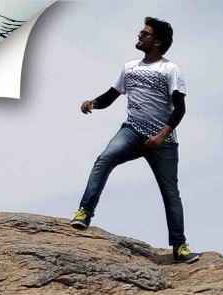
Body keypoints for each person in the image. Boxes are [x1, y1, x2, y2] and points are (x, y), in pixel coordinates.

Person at [70, 17, 198, 264]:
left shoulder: (170, 69)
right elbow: (111, 96)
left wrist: (161, 135)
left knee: (171, 192)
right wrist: (94, 103)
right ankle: (85, 211)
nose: (139, 36)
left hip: (163, 140)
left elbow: (180, 109)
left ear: (157, 42)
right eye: (141, 32)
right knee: (104, 159)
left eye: (145, 34)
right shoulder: (130, 68)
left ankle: (180, 246)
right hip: (132, 132)